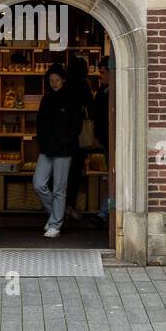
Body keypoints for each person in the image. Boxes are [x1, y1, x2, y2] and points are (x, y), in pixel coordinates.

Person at [33, 63, 81, 238]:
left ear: (63, 80)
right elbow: (39, 124)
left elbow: (76, 126)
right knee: (38, 183)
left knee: (60, 188)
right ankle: (56, 215)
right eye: (51, 80)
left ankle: (55, 224)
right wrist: (43, 141)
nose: (54, 83)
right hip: (46, 149)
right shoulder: (46, 99)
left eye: (57, 80)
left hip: (64, 150)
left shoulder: (71, 99)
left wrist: (65, 142)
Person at [63, 55, 93, 221]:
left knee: (62, 173)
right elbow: (90, 108)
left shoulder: (65, 84)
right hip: (79, 134)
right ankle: (70, 206)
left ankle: (59, 207)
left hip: (64, 135)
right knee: (74, 173)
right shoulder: (83, 84)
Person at [90, 65, 111, 223]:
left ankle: (104, 213)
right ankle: (104, 213)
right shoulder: (102, 92)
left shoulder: (109, 92)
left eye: (103, 73)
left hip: (113, 141)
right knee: (114, 177)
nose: (100, 76)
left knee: (114, 177)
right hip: (107, 141)